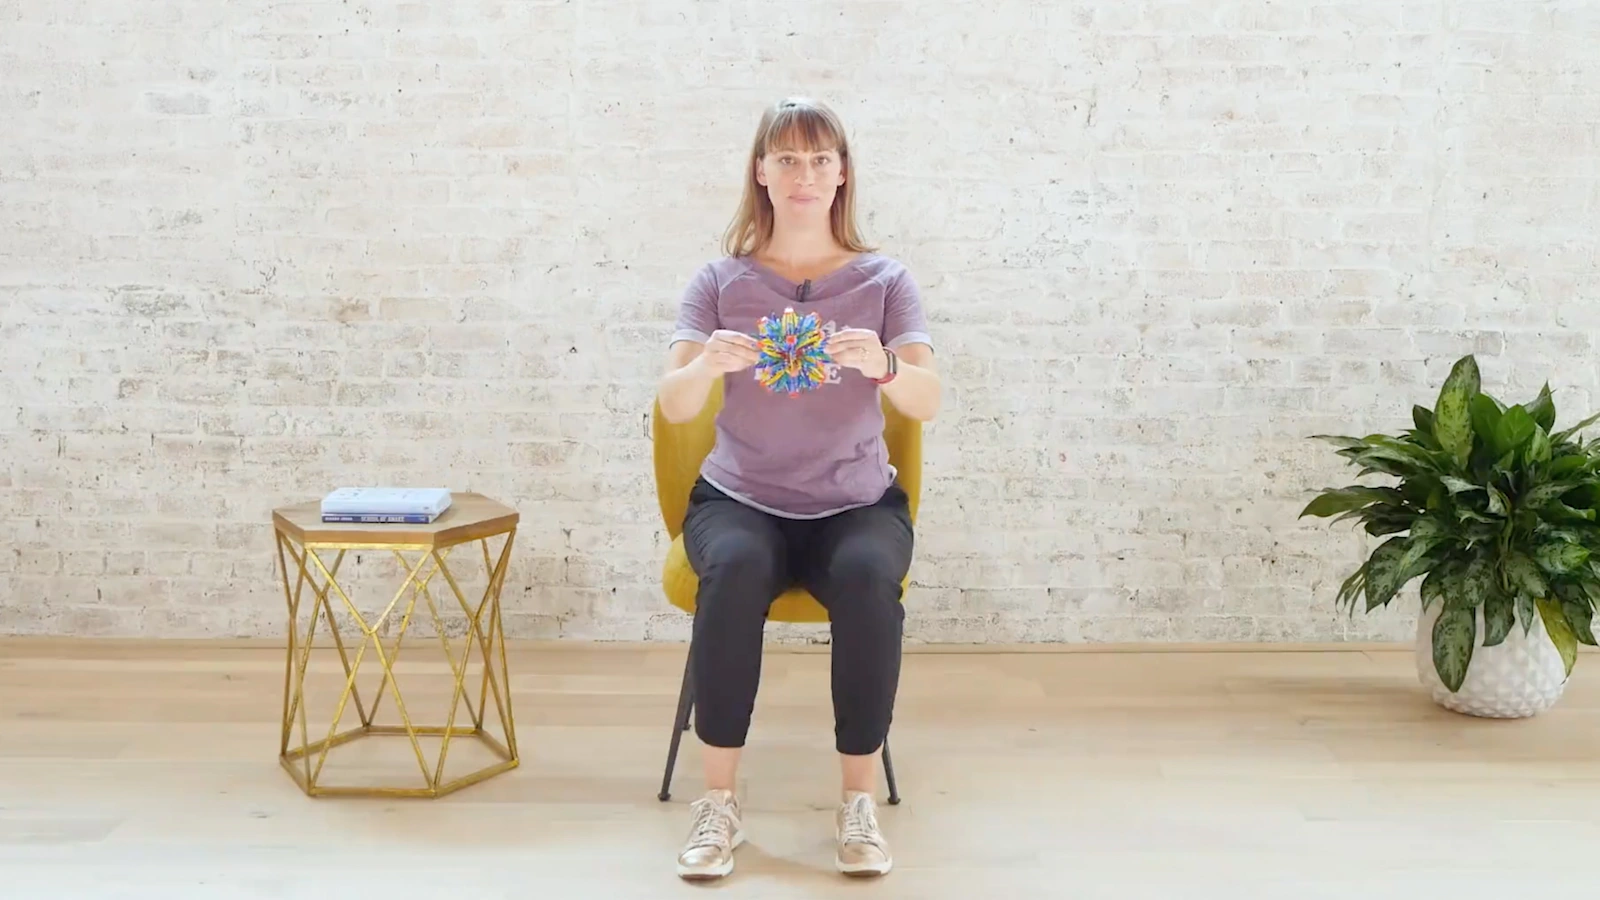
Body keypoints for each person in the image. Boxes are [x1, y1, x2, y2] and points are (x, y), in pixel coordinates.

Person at [655, 96, 941, 881]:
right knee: (738, 566)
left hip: (857, 505)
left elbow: (927, 400)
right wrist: (704, 365)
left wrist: (884, 367)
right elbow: (673, 404)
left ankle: (857, 802)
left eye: (820, 159)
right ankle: (717, 804)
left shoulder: (886, 280)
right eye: (787, 159)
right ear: (761, 174)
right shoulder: (719, 281)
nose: (804, 173)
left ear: (842, 174)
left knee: (867, 575)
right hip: (739, 500)